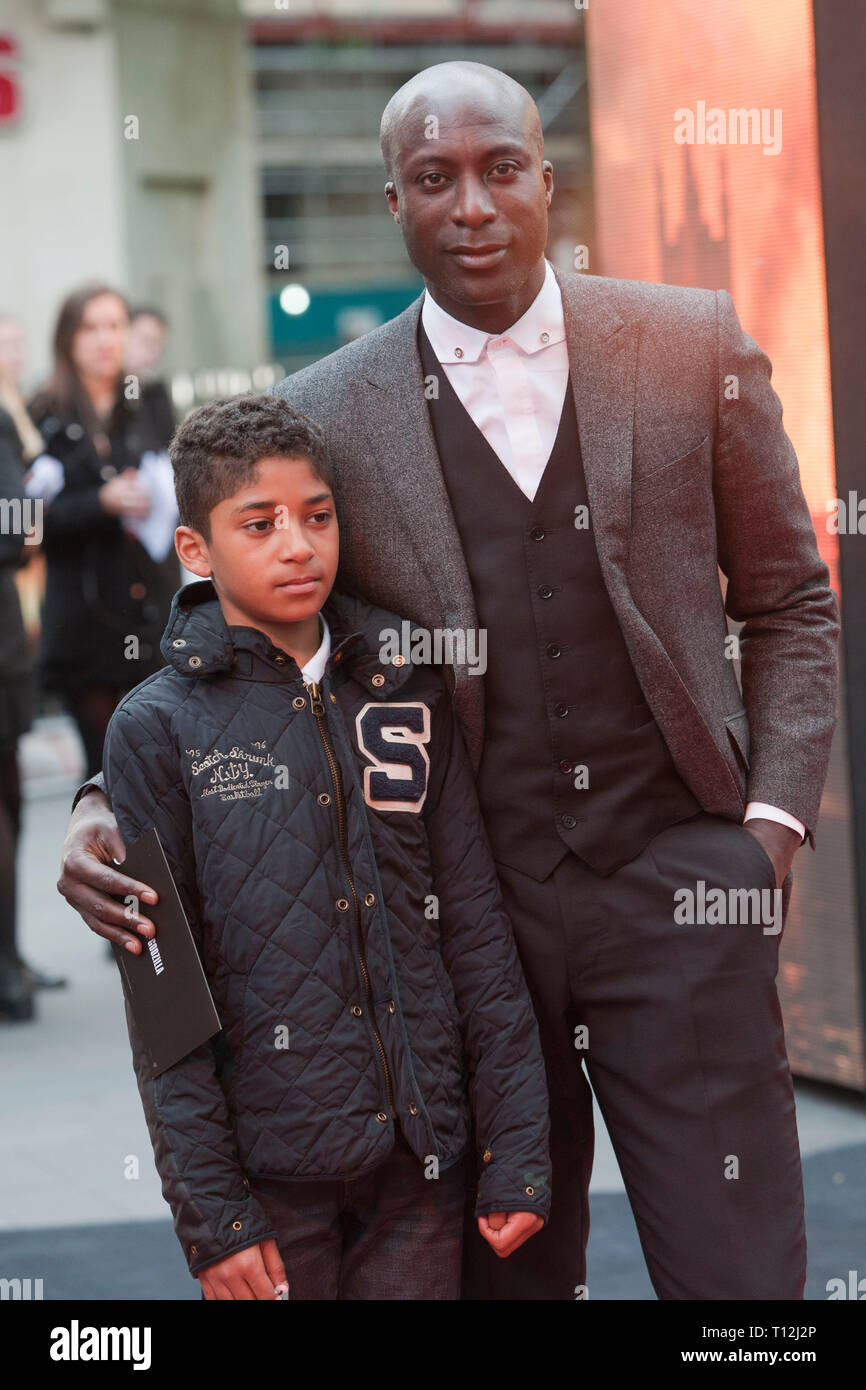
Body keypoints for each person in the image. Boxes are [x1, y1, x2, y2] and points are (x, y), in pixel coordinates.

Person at [58, 62, 840, 1300]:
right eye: (434, 179)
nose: (470, 204)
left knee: (740, 1287)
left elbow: (790, 602)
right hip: (467, 939)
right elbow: (234, 620)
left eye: (498, 170)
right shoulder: (327, 407)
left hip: (685, 890)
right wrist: (103, 795)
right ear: (392, 201)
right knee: (512, 1279)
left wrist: (767, 831)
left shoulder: (688, 344)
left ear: (545, 179)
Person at [101, 393, 550, 1299]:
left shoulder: (404, 686)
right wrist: (214, 1214)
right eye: (258, 524)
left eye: (317, 517)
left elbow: (471, 921)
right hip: (270, 1182)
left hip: (422, 1161)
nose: (297, 545)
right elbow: (164, 995)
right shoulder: (155, 728)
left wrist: (517, 1148)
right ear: (195, 549)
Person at [29, 283, 178, 780]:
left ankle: (162, 862)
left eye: (114, 325)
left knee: (160, 764)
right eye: (90, 327)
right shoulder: (44, 413)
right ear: (68, 338)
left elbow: (181, 472)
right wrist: (101, 502)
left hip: (149, 604)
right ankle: (107, 861)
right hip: (84, 617)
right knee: (104, 774)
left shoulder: (148, 398)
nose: (104, 339)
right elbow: (28, 522)